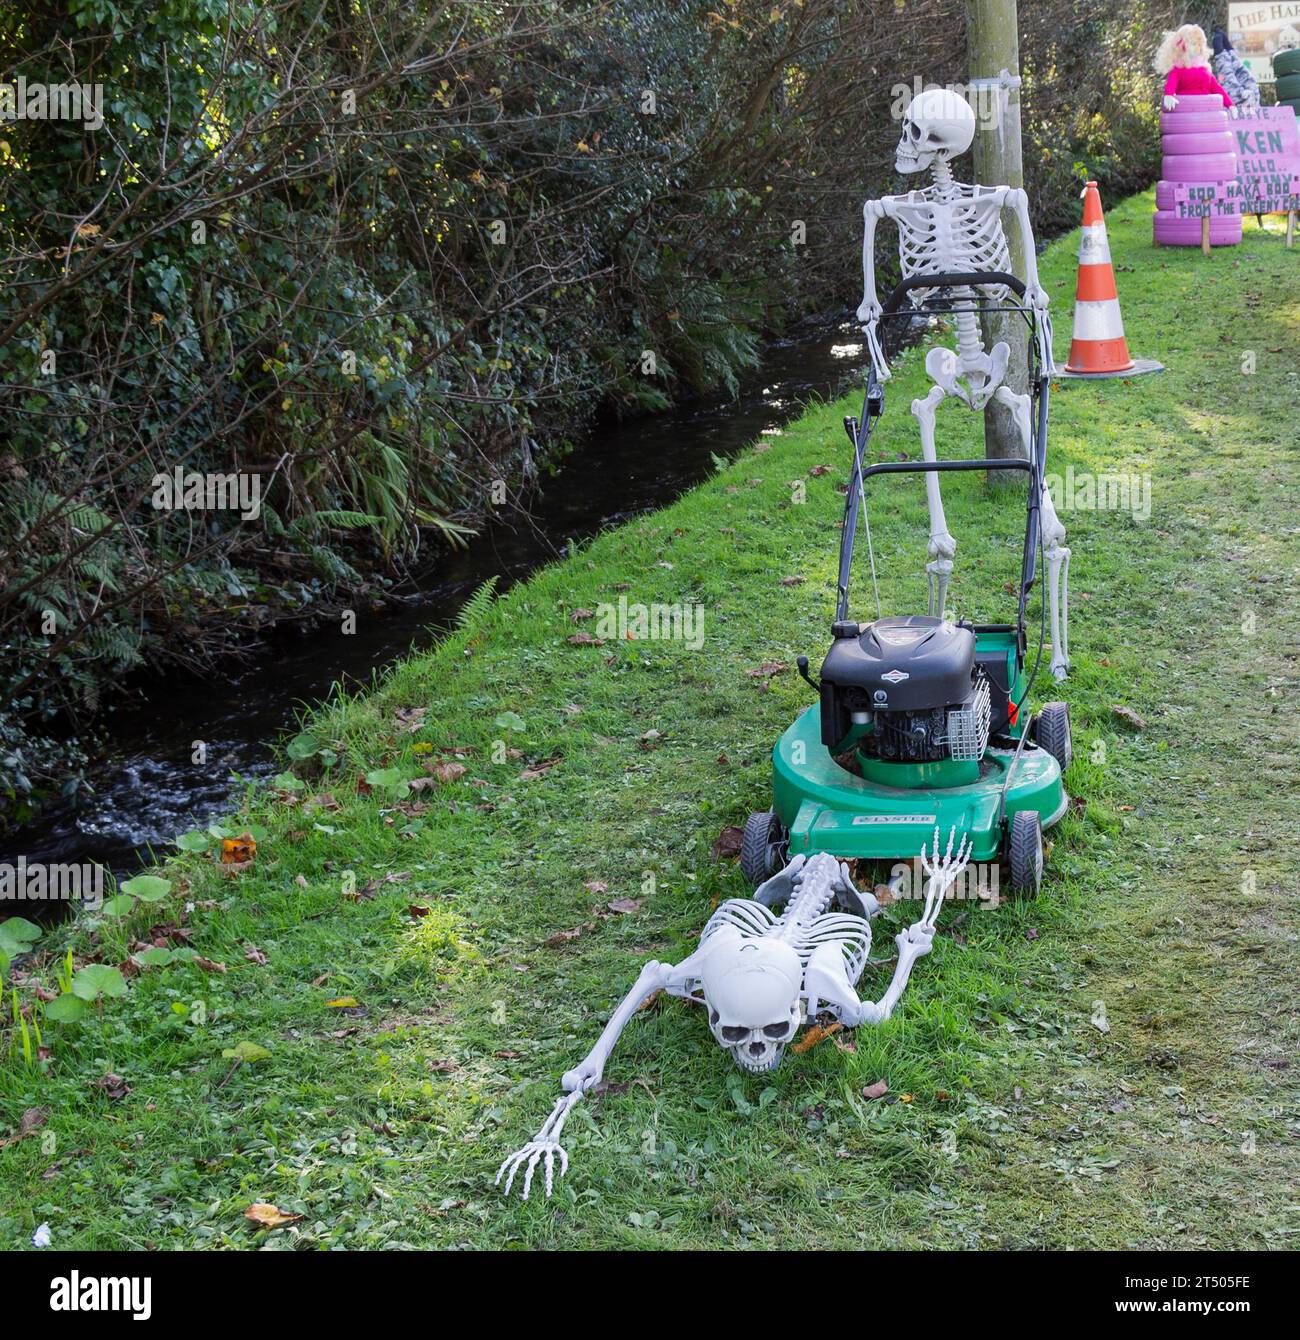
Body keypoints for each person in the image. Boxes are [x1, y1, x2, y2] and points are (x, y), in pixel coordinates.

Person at [1154, 23, 1233, 109]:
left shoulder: (1204, 69)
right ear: (1182, 45)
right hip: (1186, 112)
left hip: (1206, 112)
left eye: (1199, 44)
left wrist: (1230, 105)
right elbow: (1171, 83)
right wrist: (1169, 95)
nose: (1197, 48)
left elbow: (1216, 88)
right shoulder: (1178, 69)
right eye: (1193, 44)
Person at [1212, 26, 1260, 109]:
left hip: (1239, 108)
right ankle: (1228, 51)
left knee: (1230, 83)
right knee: (1249, 83)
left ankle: (1220, 52)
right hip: (1250, 107)